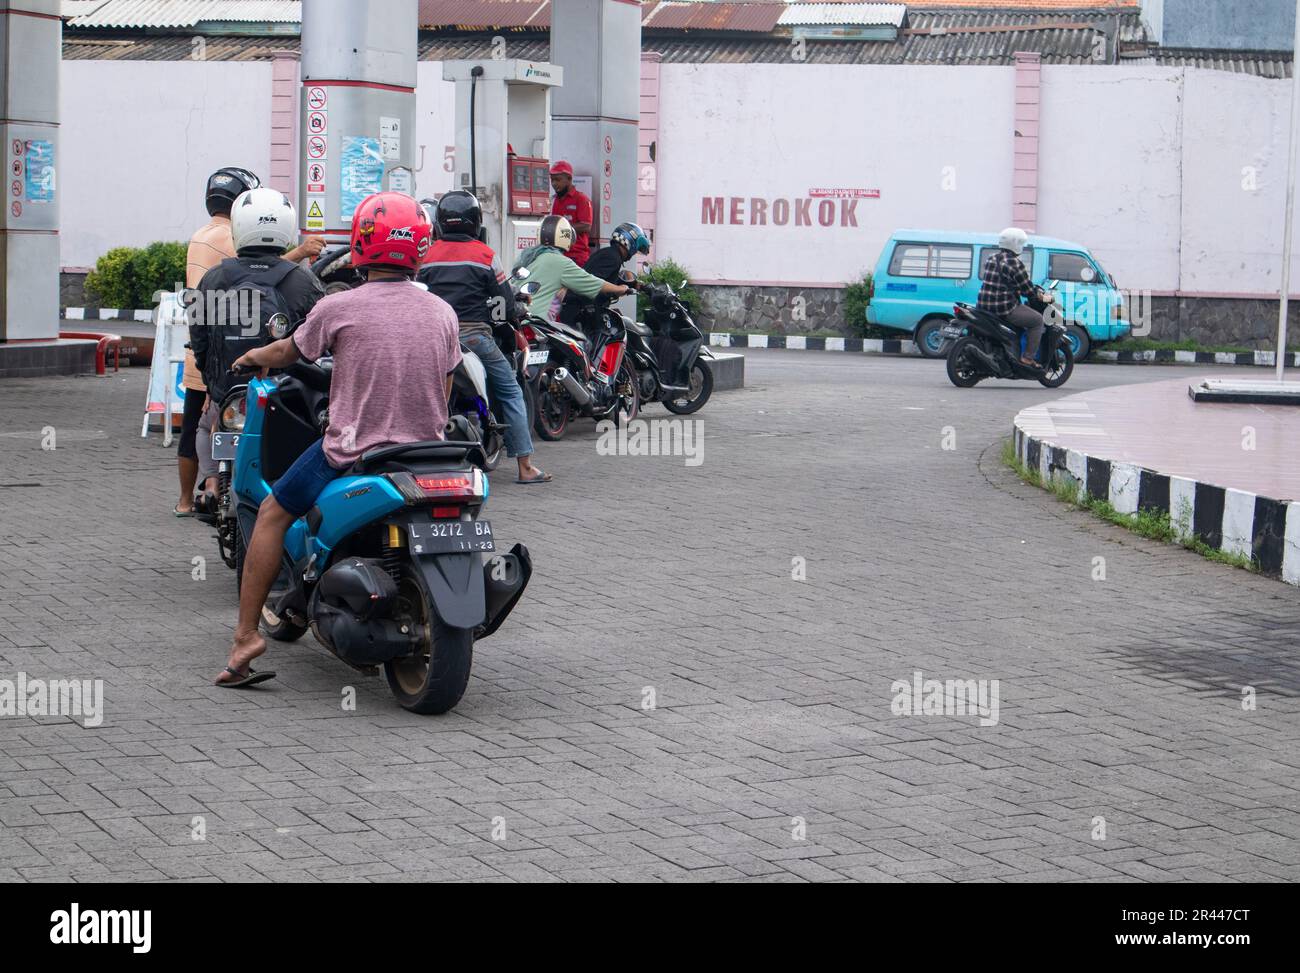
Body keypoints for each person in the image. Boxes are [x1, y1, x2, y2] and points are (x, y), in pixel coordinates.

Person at [216, 192, 462, 689]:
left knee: (270, 514)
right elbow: (445, 387)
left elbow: (290, 351)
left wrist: (254, 357)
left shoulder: (339, 306)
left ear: (360, 245)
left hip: (352, 450)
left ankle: (245, 639)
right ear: (420, 245)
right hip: (428, 455)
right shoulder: (442, 313)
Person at [181, 168, 324, 514]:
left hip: (227, 389)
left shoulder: (215, 278)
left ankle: (213, 481)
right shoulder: (302, 281)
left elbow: (199, 336)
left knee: (205, 426)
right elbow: (320, 341)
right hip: (285, 393)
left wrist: (213, 382)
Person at [419, 191, 552, 486]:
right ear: (476, 221)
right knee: (510, 391)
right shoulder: (486, 255)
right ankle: (525, 467)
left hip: (434, 340)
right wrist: (517, 309)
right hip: (475, 338)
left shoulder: (425, 255)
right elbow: (504, 302)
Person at [515, 215, 631, 327]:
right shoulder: (560, 262)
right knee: (579, 343)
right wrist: (620, 289)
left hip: (518, 321)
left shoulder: (529, 256)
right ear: (566, 237)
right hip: (537, 325)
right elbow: (592, 282)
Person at [560, 219, 651, 337]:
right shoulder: (613, 258)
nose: (633, 253)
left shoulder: (608, 254)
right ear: (630, 242)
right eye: (636, 249)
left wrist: (633, 284)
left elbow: (605, 278)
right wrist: (618, 290)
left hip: (579, 309)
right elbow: (594, 282)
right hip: (581, 311)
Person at [979, 227, 1043, 368]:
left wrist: (1015, 290)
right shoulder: (1015, 263)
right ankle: (1027, 358)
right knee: (1037, 320)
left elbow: (998, 282)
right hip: (1003, 308)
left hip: (983, 307)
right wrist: (1037, 295)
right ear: (1015, 244)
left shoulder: (991, 259)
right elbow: (1027, 289)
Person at [549, 161, 593, 268]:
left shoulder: (581, 199)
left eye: (558, 180)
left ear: (569, 179)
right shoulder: (553, 200)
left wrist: (560, 228)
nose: (554, 183)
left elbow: (586, 226)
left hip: (576, 257)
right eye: (552, 180)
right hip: (557, 254)